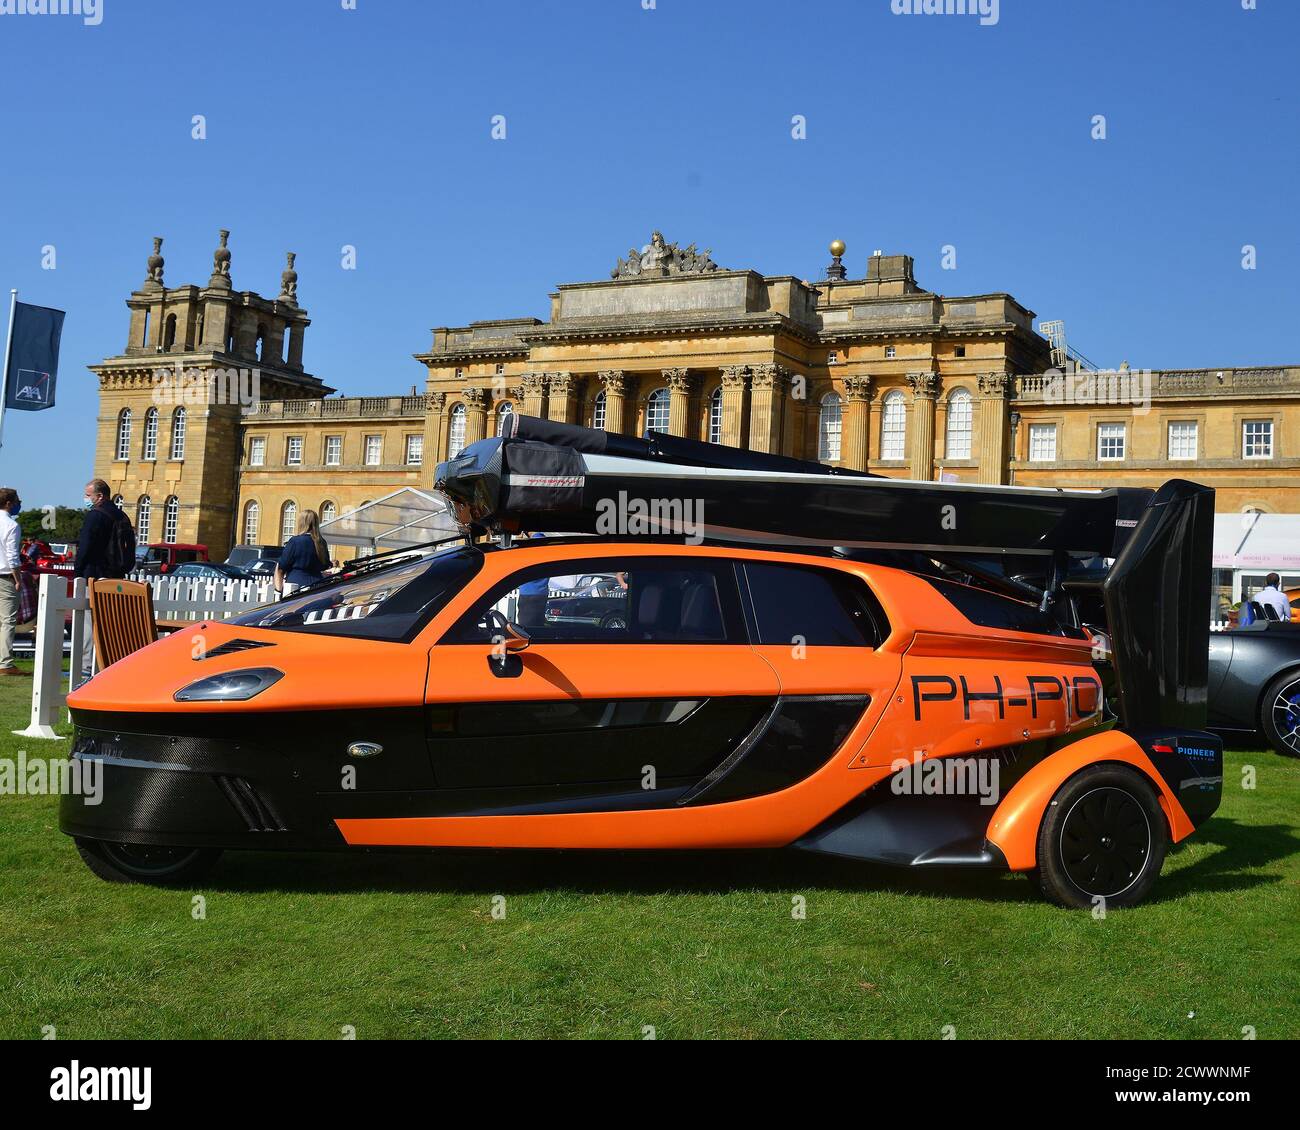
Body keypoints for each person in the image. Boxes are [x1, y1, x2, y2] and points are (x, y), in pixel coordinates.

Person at [75, 479, 134, 677]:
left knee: (89, 624)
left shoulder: (95, 515)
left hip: (94, 573)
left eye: (88, 495)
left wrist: (78, 570)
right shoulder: (122, 516)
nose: (86, 499)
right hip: (116, 576)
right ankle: (107, 662)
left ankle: (86, 666)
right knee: (109, 622)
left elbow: (85, 546)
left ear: (99, 496)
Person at [274, 509, 329, 598]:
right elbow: (325, 565)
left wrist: (278, 591)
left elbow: (281, 568)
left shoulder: (295, 541)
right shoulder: (321, 542)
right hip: (318, 586)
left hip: (296, 586)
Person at [0, 487, 25, 676]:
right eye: (17, 500)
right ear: (9, 503)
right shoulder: (11, 525)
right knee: (8, 621)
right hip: (5, 576)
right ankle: (5, 663)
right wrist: (18, 579)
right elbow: (12, 556)